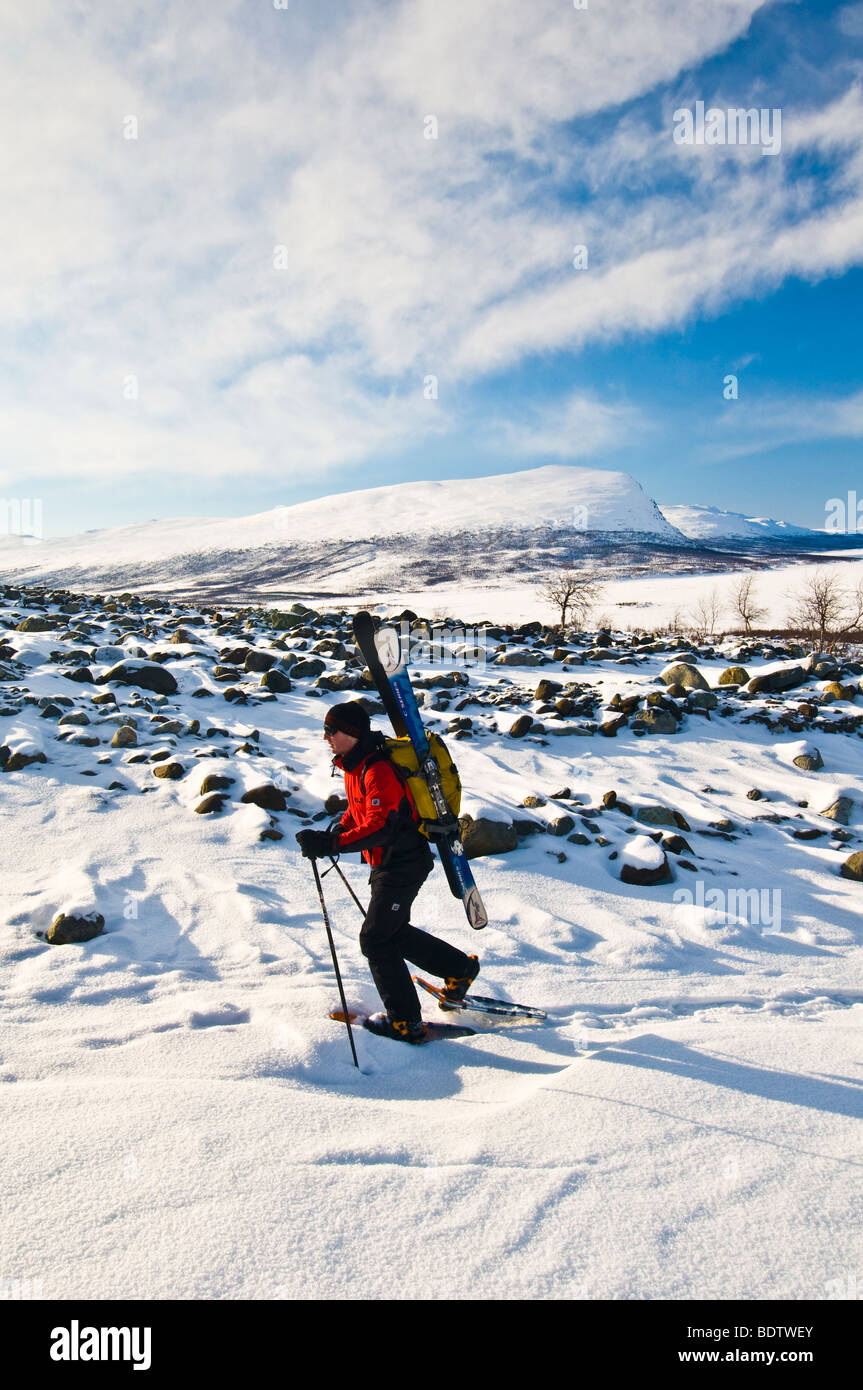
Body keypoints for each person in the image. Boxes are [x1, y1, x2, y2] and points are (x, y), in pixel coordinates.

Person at [296, 700, 479, 1043]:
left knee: (375, 938)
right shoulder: (355, 767)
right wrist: (333, 836)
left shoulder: (376, 769)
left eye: (331, 730)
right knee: (391, 932)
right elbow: (358, 813)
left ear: (351, 733)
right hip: (387, 862)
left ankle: (405, 1022)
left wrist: (331, 845)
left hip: (403, 862)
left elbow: (381, 827)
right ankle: (458, 970)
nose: (326, 737)